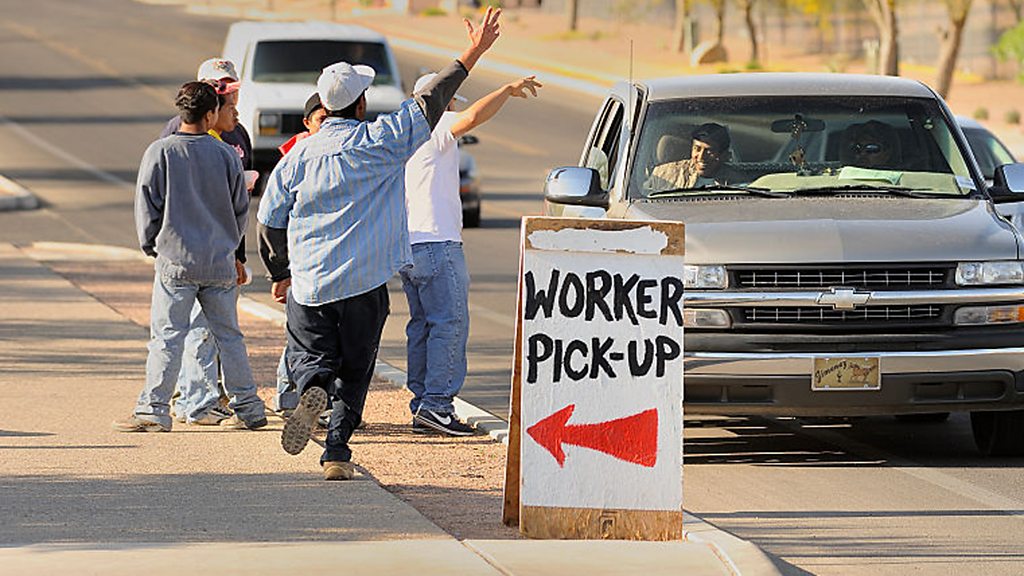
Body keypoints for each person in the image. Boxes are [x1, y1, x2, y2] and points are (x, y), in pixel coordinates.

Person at [257, 7, 503, 481]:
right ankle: (336, 452)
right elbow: (432, 101)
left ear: (322, 109)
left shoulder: (298, 155)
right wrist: (474, 51)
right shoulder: (380, 142)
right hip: (363, 282)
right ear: (361, 105)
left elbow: (269, 219)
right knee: (356, 369)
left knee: (314, 358)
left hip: (309, 283)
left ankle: (312, 389)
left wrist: (280, 272)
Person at [114, 81, 267, 433]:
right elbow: (240, 208)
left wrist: (152, 244)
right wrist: (229, 245)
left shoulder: (161, 151)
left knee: (168, 336)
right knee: (229, 337)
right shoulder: (226, 154)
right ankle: (249, 407)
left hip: (176, 260)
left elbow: (147, 204)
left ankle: (154, 409)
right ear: (211, 113)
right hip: (218, 261)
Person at [402, 72, 541, 436]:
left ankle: (422, 403)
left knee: (421, 327)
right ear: (443, 101)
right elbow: (475, 116)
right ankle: (436, 405)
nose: (452, 109)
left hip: (408, 245)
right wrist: (506, 90)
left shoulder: (401, 129)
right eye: (450, 101)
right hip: (438, 241)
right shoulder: (436, 123)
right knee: (450, 323)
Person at [157, 59, 254, 427]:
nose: (229, 99)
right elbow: (158, 191)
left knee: (215, 330)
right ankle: (196, 400)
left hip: (222, 247)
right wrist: (159, 243)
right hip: (187, 249)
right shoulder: (175, 134)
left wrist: (239, 254)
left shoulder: (237, 133)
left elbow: (237, 205)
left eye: (231, 90)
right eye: (221, 92)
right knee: (194, 329)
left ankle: (199, 395)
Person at [645, 122, 743, 192]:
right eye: (697, 148)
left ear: (725, 155)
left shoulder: (740, 183)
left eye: (709, 151)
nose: (701, 157)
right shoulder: (663, 174)